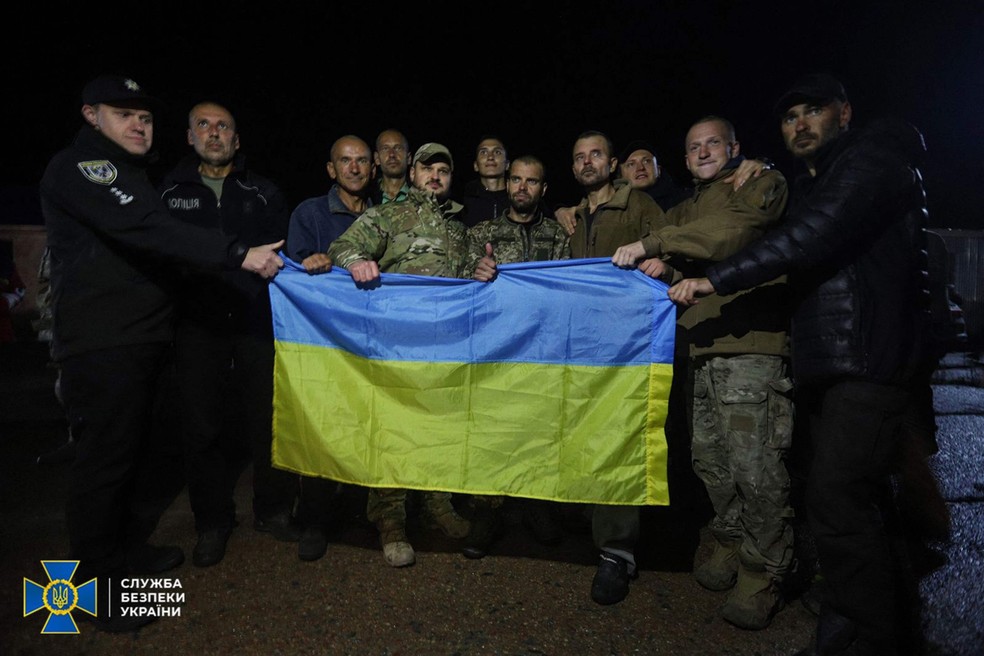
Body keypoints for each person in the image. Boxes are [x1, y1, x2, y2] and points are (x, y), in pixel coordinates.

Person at [668, 73, 935, 655]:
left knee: (820, 491)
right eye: (791, 117)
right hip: (830, 356)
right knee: (825, 488)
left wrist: (709, 276)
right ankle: (866, 615)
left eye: (814, 111)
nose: (801, 124)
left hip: (864, 354)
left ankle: (846, 619)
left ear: (845, 112)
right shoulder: (810, 182)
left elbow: (798, 237)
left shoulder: (863, 164)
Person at [39, 74, 284, 632]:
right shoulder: (83, 168)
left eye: (145, 117)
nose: (138, 125)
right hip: (104, 340)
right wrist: (237, 253)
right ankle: (91, 593)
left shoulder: (132, 174)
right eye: (123, 114)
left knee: (133, 456)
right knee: (101, 464)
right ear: (90, 115)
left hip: (141, 338)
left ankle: (125, 552)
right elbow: (148, 227)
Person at [612, 115, 793, 630]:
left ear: (735, 148)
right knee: (710, 460)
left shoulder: (760, 183)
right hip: (699, 347)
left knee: (756, 467)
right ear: (686, 159)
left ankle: (765, 569)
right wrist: (666, 268)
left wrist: (656, 245)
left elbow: (730, 234)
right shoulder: (686, 206)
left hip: (750, 346)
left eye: (714, 143)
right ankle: (731, 542)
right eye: (694, 147)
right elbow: (684, 261)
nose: (704, 152)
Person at [327, 142, 484, 567]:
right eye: (427, 168)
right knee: (393, 432)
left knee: (440, 429)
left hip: (446, 350)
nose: (435, 175)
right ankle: (390, 519)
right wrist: (356, 261)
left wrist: (481, 270)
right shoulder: (388, 215)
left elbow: (472, 276)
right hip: (397, 347)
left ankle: (437, 505)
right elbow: (342, 246)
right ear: (412, 174)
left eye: (443, 170)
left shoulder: (459, 229)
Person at [158, 100, 298, 568]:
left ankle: (272, 509)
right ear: (190, 136)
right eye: (204, 125)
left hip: (256, 319)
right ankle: (212, 522)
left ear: (237, 140)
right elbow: (163, 254)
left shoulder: (264, 192)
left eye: (223, 127)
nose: (214, 133)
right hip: (197, 324)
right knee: (201, 425)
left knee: (268, 417)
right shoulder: (168, 191)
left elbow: (282, 257)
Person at [563, 130, 671, 605]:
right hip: (581, 349)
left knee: (619, 441)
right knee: (585, 436)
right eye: (579, 157)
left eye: (596, 155)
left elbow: (670, 247)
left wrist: (664, 264)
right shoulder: (573, 218)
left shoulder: (640, 206)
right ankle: (591, 520)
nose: (588, 162)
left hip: (627, 350)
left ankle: (616, 552)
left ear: (612, 164)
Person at [464, 155, 571, 559]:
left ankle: (535, 505)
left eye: (531, 181)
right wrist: (475, 272)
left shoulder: (557, 236)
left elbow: (567, 287)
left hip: (541, 352)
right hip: (494, 351)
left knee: (539, 431)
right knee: (491, 434)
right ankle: (486, 513)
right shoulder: (483, 233)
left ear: (543, 189)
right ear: (507, 184)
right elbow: (461, 282)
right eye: (516, 180)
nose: (522, 187)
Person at [286, 134, 376, 561]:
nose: (354, 168)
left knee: (368, 424)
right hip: (324, 344)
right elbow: (291, 270)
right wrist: (308, 262)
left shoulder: (383, 214)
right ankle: (315, 519)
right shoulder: (309, 213)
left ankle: (364, 511)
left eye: (362, 160)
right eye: (345, 160)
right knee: (322, 428)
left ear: (373, 168)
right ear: (331, 169)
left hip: (370, 342)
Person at [616, 140, 691, 211]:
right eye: (631, 164)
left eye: (646, 161)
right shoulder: (615, 210)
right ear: (620, 175)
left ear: (658, 170)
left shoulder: (686, 201)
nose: (640, 168)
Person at [460, 135, 509, 227]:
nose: (490, 157)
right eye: (483, 152)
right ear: (476, 166)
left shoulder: (517, 198)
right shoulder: (463, 201)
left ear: (507, 164)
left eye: (497, 152)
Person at [370, 128, 411, 205]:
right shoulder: (367, 198)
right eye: (385, 149)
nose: (392, 154)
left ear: (409, 158)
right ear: (377, 158)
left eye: (398, 148)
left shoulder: (421, 196)